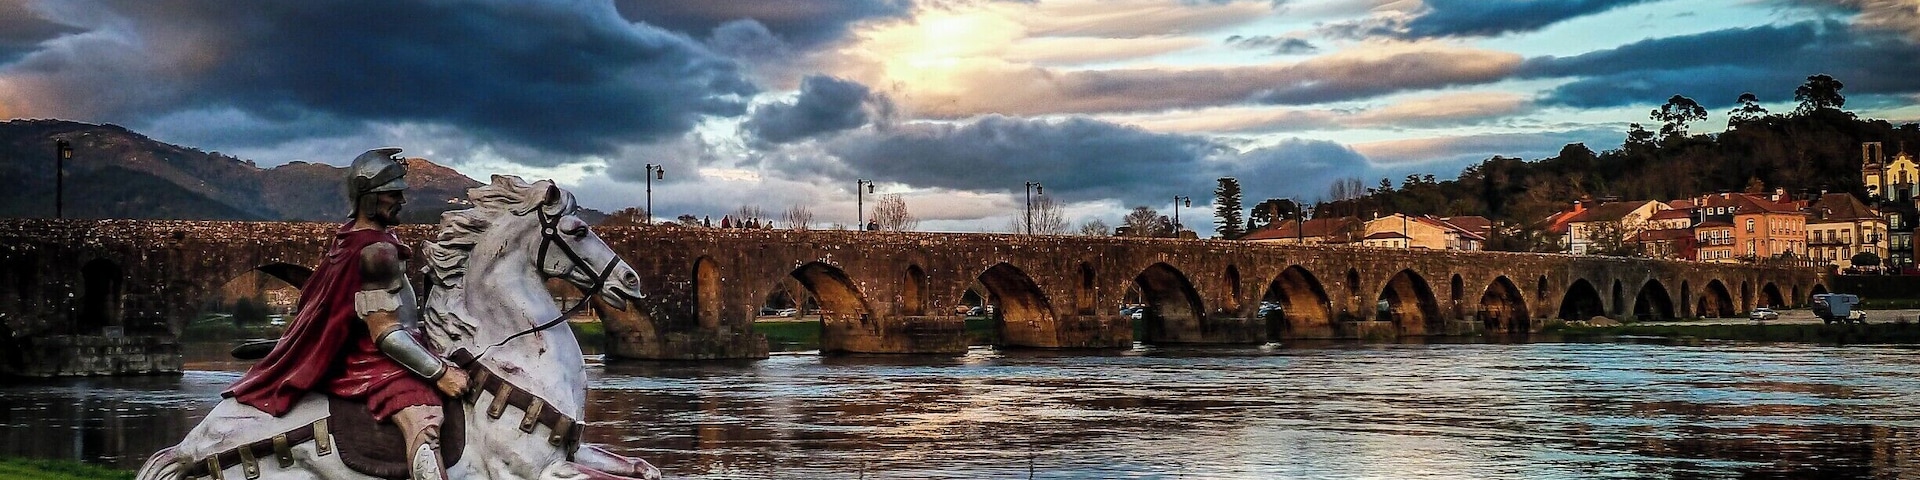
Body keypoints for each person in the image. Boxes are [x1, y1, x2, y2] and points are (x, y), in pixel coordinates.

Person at [223, 148, 470, 480]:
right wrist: (440, 373)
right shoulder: (376, 251)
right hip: (375, 362)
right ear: (370, 199)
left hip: (397, 344)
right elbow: (385, 333)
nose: (401, 200)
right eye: (392, 194)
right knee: (423, 423)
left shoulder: (358, 237)